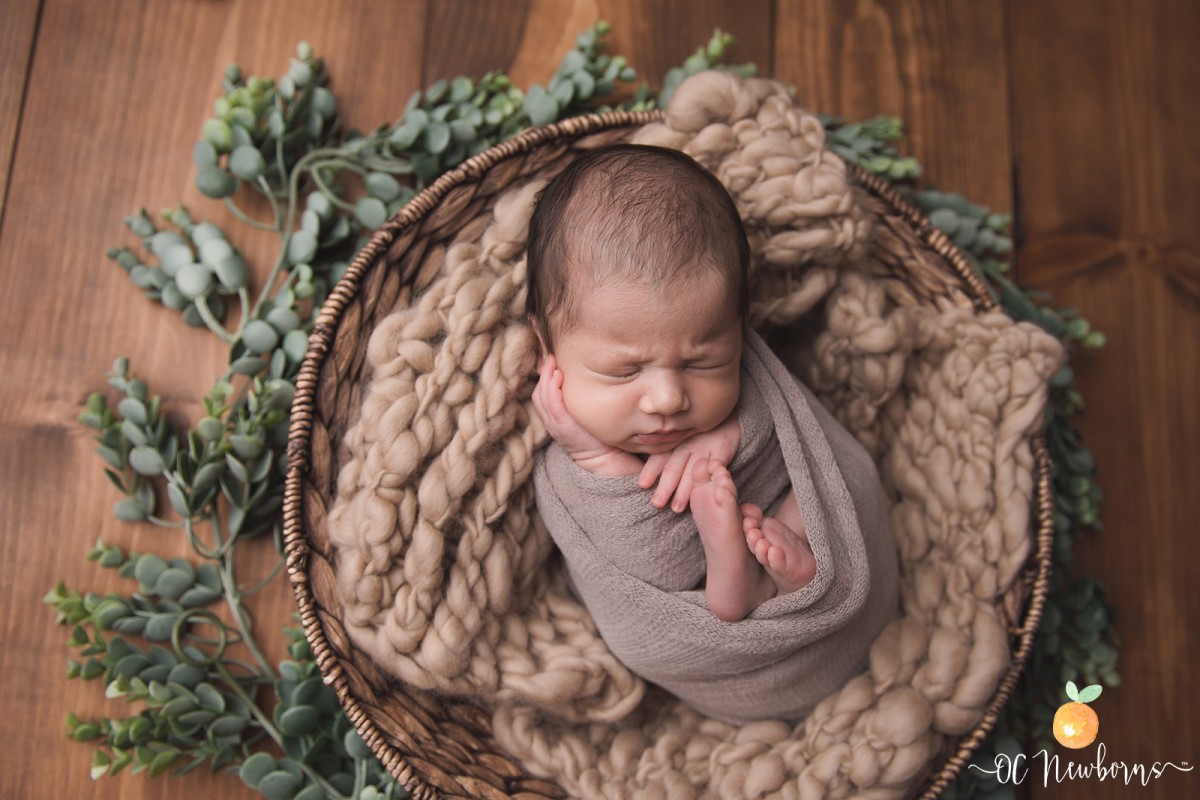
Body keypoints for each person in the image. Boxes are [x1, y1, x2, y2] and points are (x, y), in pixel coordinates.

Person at [526, 143, 816, 623]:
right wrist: (595, 457)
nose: (668, 400)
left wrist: (735, 432)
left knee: (817, 489)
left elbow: (799, 427)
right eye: (624, 371)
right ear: (545, 345)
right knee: (658, 553)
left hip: (784, 529)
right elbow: (642, 568)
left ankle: (780, 580)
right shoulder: (566, 456)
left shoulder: (744, 367)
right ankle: (735, 581)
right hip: (679, 607)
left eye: (704, 363)